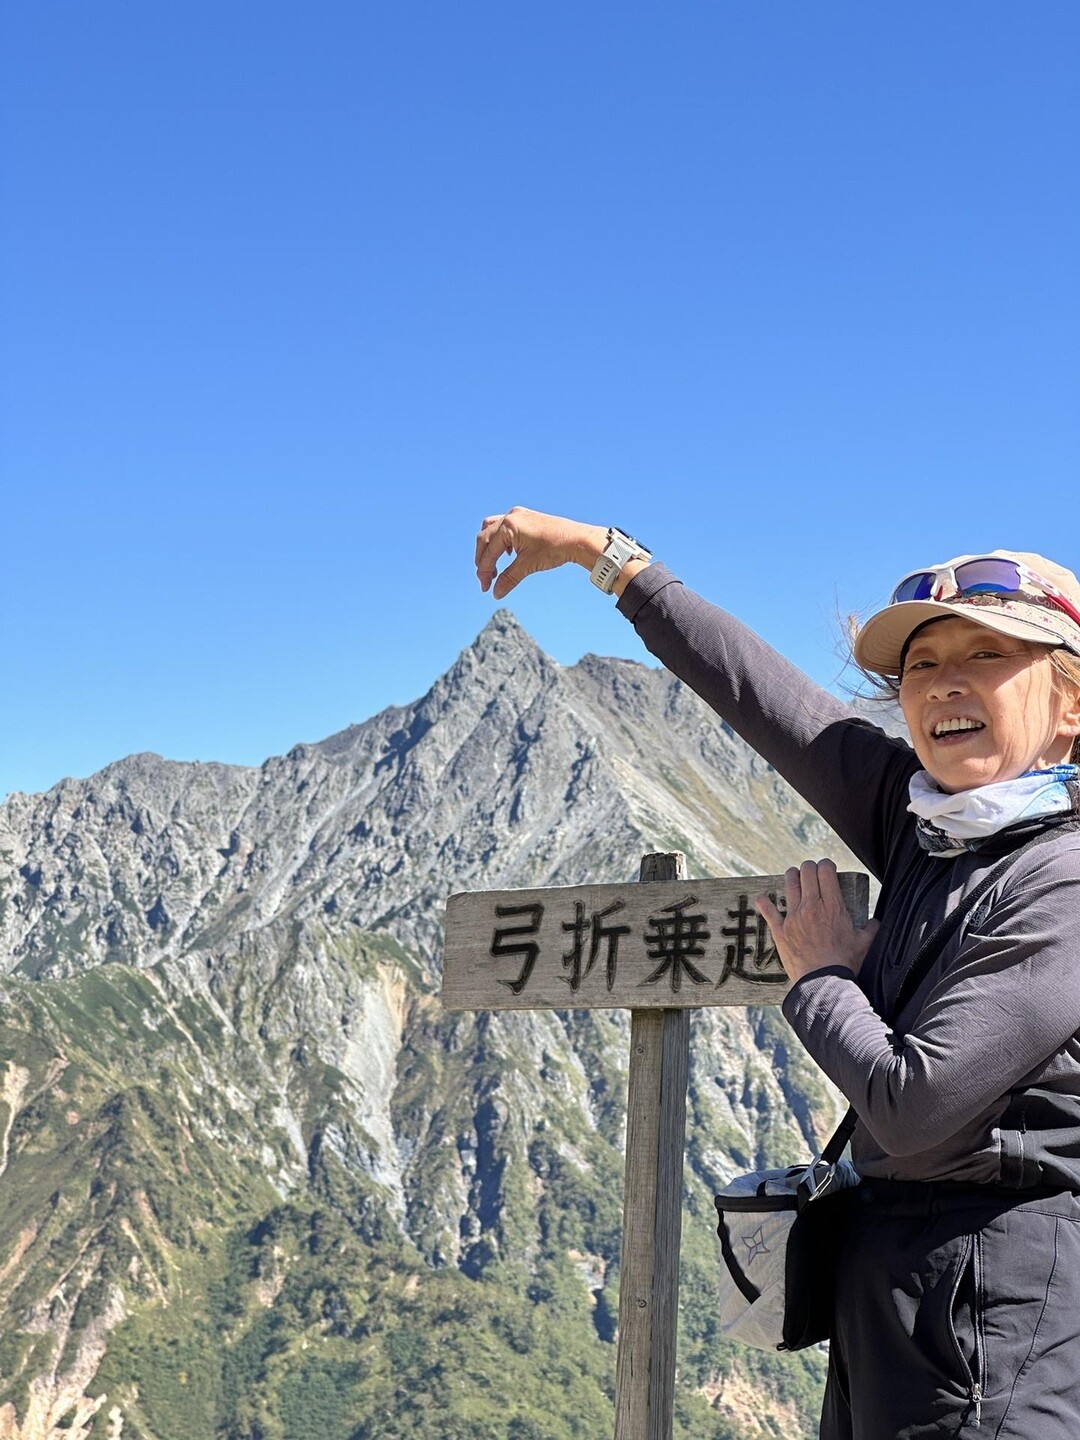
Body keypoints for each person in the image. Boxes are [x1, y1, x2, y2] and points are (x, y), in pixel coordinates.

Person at [474, 507, 1080, 1440]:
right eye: (922, 663)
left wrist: (824, 976)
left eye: (989, 653)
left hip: (1000, 1324)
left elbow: (914, 1107)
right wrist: (611, 560)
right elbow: (766, 699)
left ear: (1071, 703)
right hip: (893, 1307)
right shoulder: (926, 823)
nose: (945, 683)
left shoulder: (1062, 877)